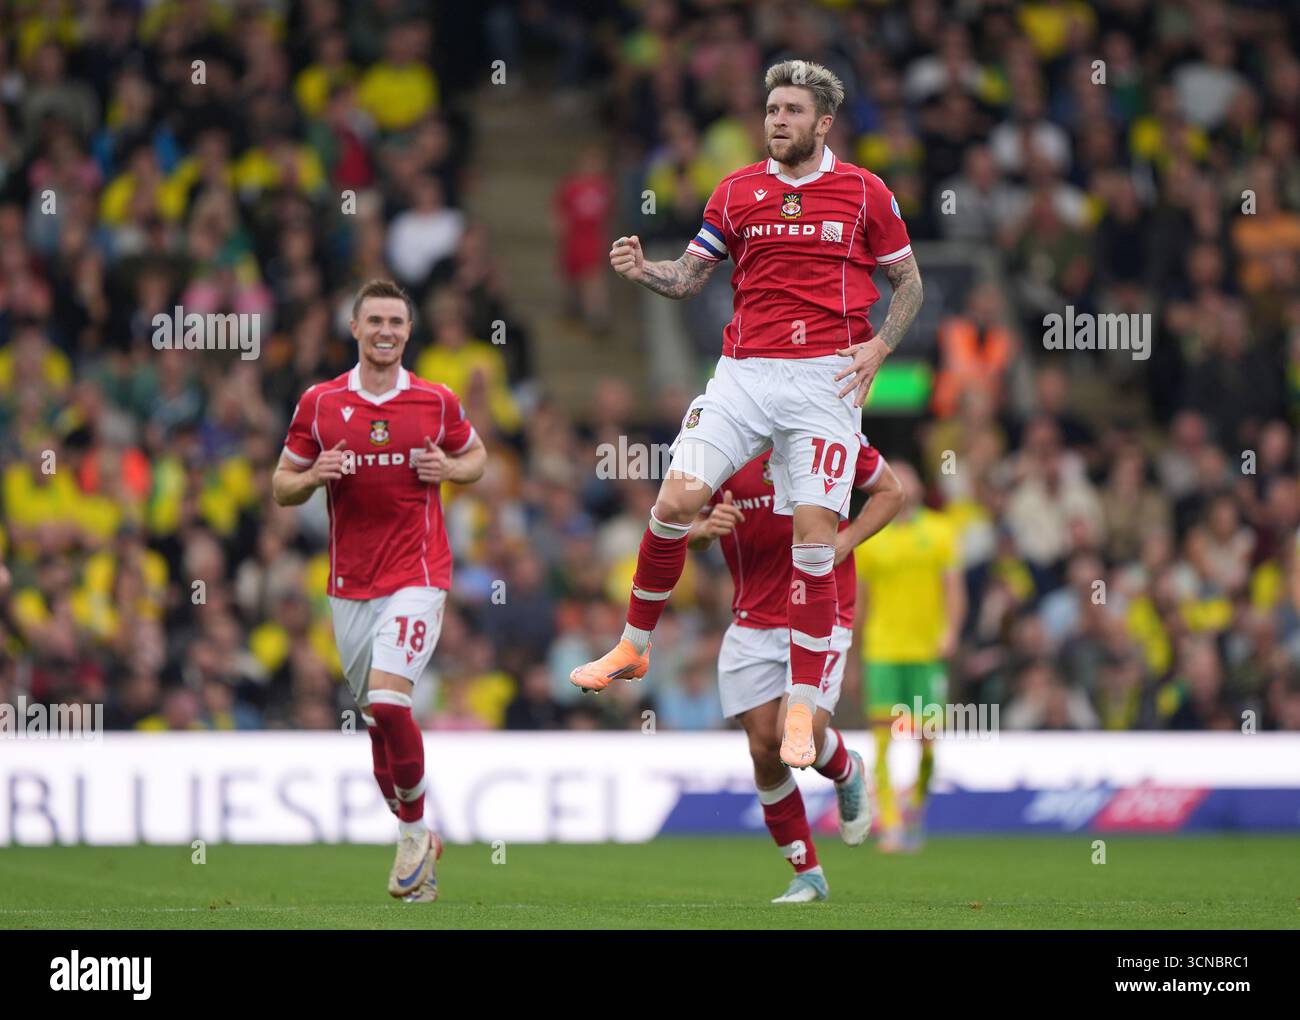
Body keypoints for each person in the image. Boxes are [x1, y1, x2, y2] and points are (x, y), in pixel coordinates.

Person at [570, 59, 924, 771]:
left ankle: (801, 707)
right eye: (771, 110)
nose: (777, 121)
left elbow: (907, 281)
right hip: (744, 373)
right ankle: (635, 646)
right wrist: (647, 272)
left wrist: (881, 347)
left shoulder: (865, 192)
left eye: (792, 110)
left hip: (825, 380)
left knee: (815, 540)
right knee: (674, 499)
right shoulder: (736, 192)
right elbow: (691, 276)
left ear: (823, 122)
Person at [272, 279, 487, 902]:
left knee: (392, 704)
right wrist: (315, 474)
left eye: (396, 320)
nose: (386, 330)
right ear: (356, 328)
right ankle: (417, 832)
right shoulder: (320, 402)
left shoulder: (435, 401)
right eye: (375, 321)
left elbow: (476, 458)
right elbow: (281, 485)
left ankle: (414, 833)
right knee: (377, 727)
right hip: (349, 586)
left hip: (418, 575)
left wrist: (448, 469)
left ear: (408, 331)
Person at [688, 434, 904, 901]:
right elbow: (679, 523)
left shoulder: (830, 431)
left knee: (793, 733)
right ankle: (808, 873)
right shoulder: (725, 436)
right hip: (751, 621)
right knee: (765, 750)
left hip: (821, 610)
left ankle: (846, 769)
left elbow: (891, 491)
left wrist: (848, 538)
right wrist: (701, 532)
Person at [854, 462, 965, 852]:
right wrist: (851, 651)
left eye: (908, 474)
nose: (902, 480)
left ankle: (916, 808)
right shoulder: (869, 534)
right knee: (883, 740)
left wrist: (950, 631)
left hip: (926, 651)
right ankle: (892, 824)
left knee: (927, 740)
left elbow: (953, 589)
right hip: (882, 650)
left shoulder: (940, 530)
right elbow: (860, 600)